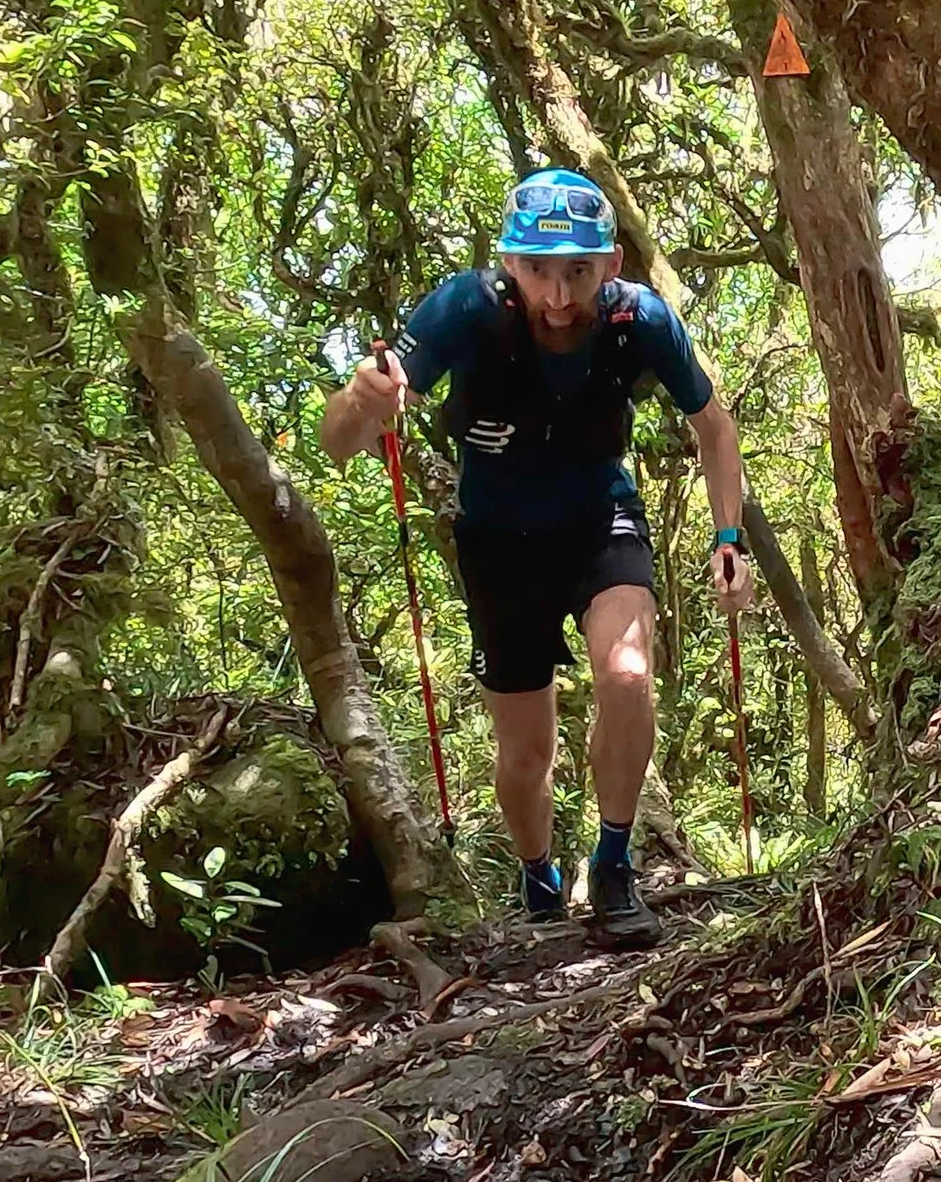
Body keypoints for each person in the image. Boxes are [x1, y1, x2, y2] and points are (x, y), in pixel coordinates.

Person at [322, 168, 754, 946]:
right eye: (538, 270)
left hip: (600, 520)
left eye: (578, 271)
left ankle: (614, 864)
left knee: (628, 675)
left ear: (610, 263)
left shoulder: (639, 320)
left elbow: (715, 428)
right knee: (526, 753)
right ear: (509, 262)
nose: (558, 295)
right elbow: (338, 442)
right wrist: (361, 400)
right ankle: (538, 877)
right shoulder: (463, 311)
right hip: (498, 543)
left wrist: (729, 539)